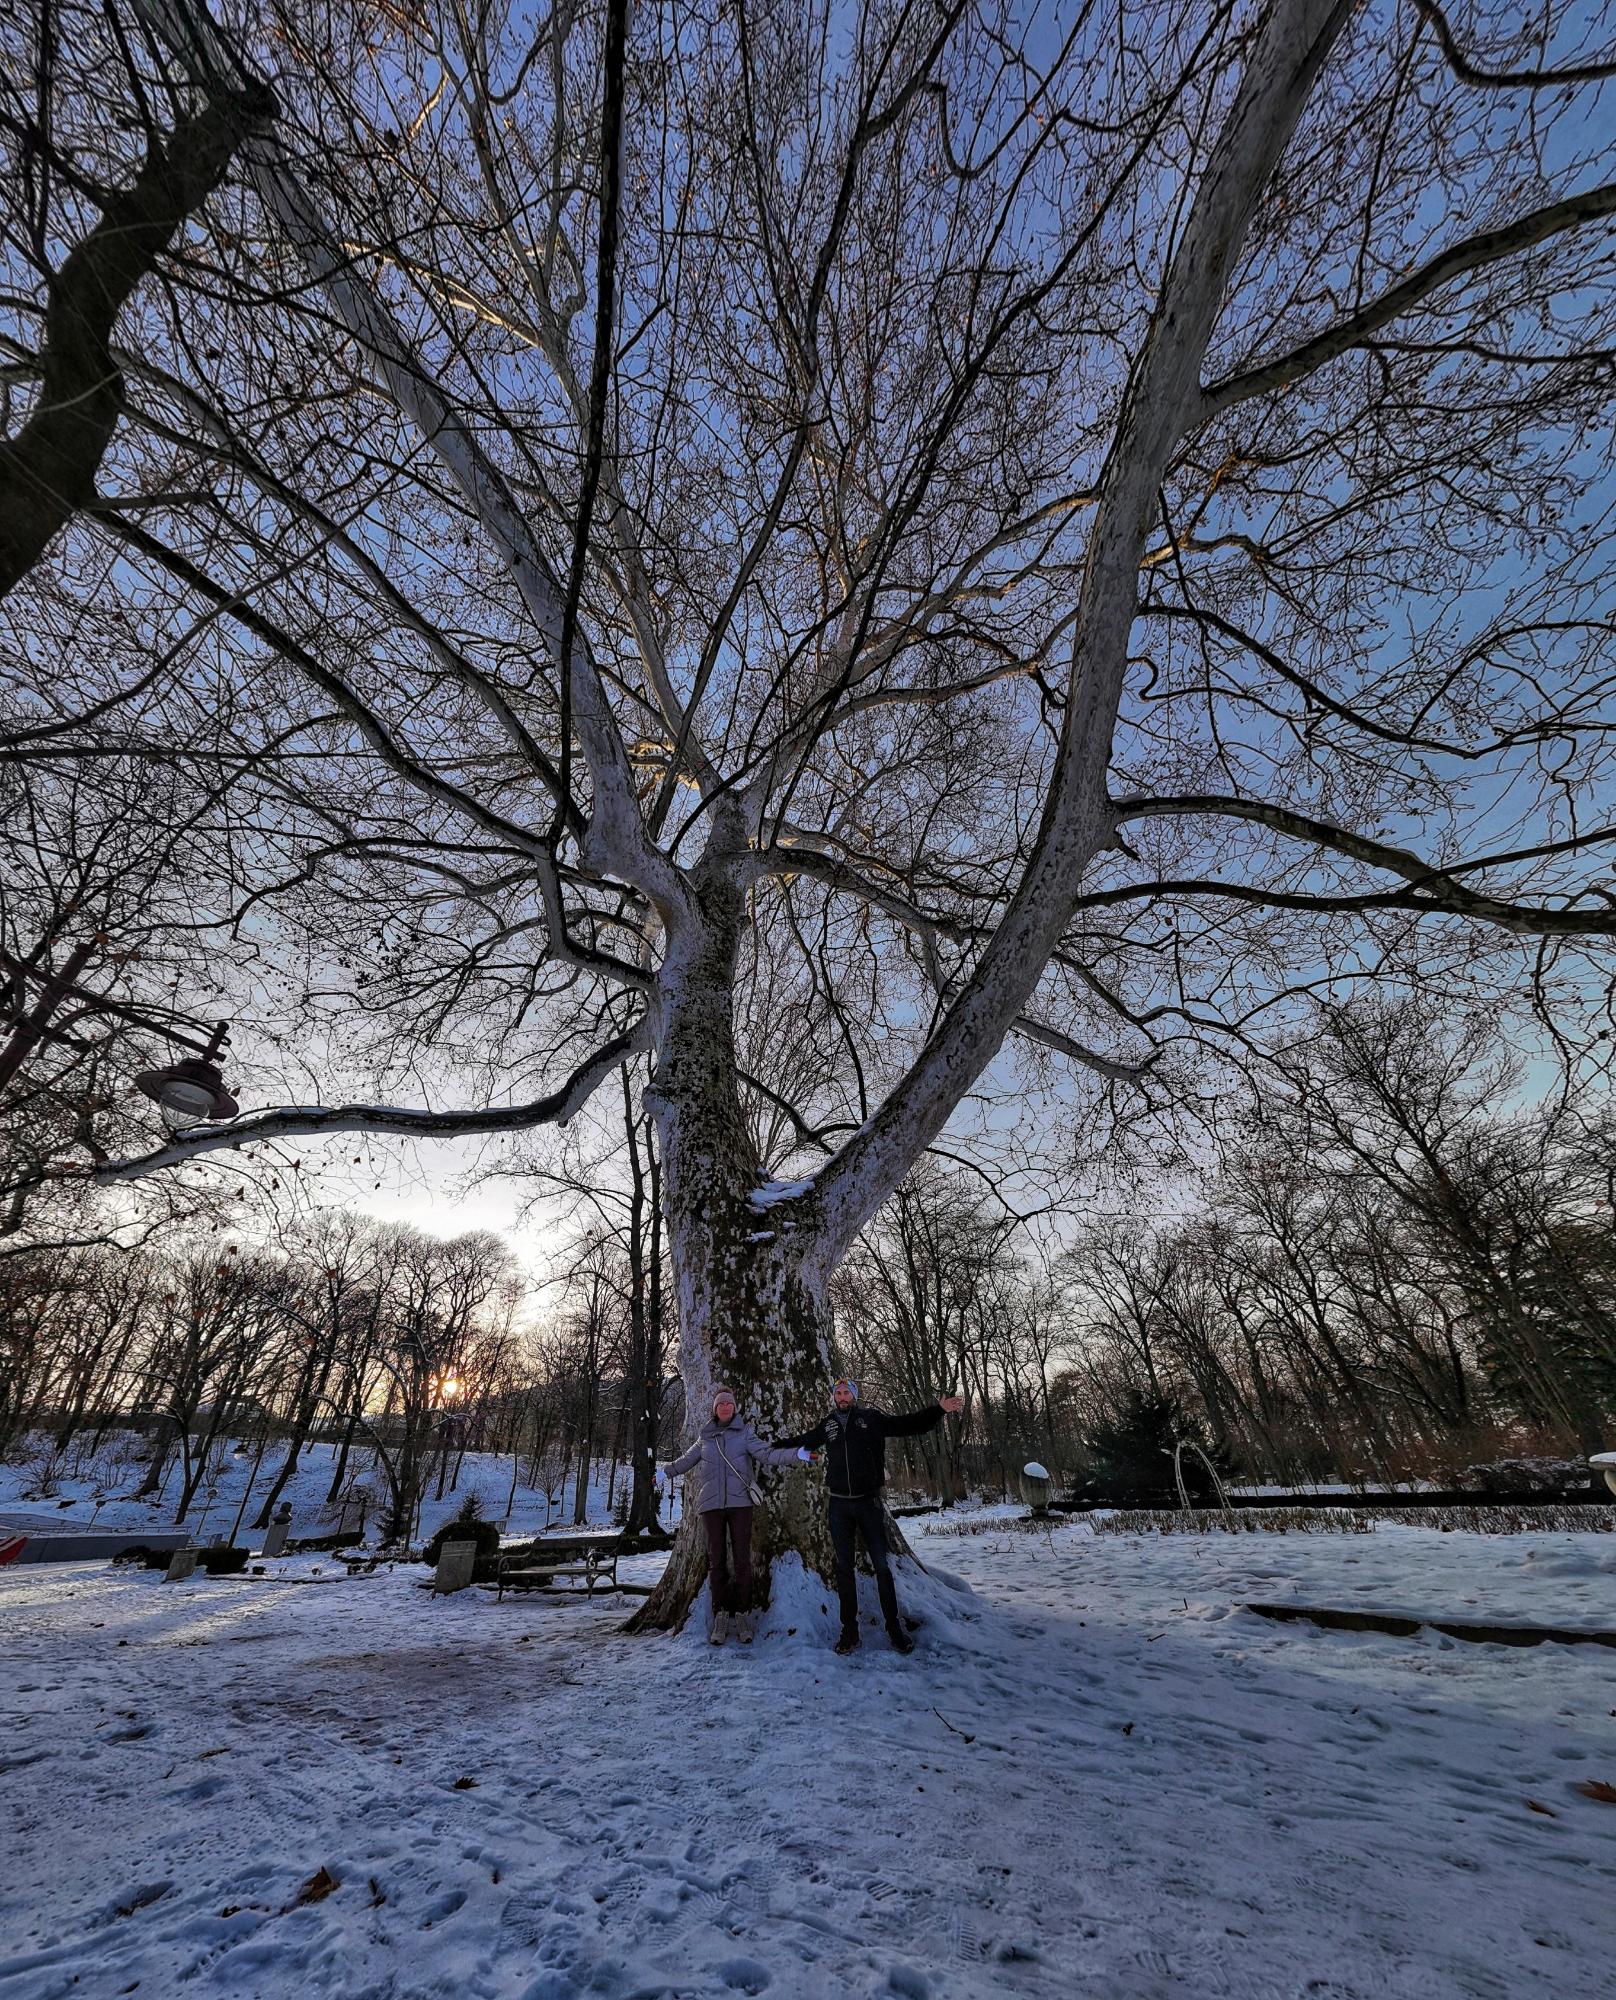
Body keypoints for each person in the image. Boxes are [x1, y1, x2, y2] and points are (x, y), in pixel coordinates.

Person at [775, 1379, 964, 1656]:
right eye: (838, 1393)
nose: (842, 1397)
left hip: (868, 1504)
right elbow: (802, 1441)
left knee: (882, 1568)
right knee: (844, 1569)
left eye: (846, 1393)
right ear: (833, 1397)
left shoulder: (870, 1419)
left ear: (854, 1396)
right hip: (838, 1506)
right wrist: (768, 1447)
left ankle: (893, 1627)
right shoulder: (827, 1425)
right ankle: (849, 1631)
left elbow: (906, 1425)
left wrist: (938, 1410)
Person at [666, 1387, 800, 1646]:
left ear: (734, 1408)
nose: (726, 1407)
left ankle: (742, 1613)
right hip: (711, 1506)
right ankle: (720, 1615)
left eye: (729, 1404)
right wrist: (664, 1473)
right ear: (715, 1410)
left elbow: (768, 1454)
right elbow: (686, 1460)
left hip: (740, 1505)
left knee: (742, 1561)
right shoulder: (705, 1437)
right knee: (716, 1561)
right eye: (721, 1404)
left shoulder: (745, 1433)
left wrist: (798, 1454)